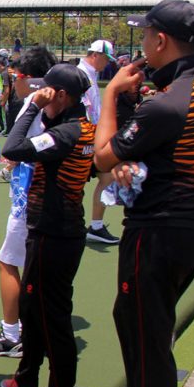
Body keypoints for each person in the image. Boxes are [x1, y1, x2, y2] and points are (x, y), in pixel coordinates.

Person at [89, 0, 194, 387]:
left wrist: (110, 96)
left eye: (145, 35)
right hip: (187, 224)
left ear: (160, 41)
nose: (141, 42)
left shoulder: (167, 104)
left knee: (150, 338)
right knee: (131, 316)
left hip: (160, 231)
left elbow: (103, 157)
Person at [0, 63, 95, 387]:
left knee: (52, 317)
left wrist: (32, 106)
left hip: (55, 235)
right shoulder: (79, 127)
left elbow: (14, 147)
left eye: (48, 91)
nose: (41, 95)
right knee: (31, 307)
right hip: (53, 231)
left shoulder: (67, 133)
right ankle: (26, 379)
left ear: (62, 96)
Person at [0, 47, 56, 359]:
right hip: (49, 192)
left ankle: (12, 333)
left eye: (16, 77)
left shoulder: (33, 102)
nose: (14, 82)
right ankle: (32, 327)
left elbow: (14, 147)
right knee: (34, 263)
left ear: (28, 78)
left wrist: (9, 164)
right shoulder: (62, 100)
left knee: (8, 261)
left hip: (30, 195)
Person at [78, 40, 120, 245]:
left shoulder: (91, 74)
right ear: (95, 55)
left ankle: (95, 226)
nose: (107, 64)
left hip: (94, 138)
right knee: (75, 184)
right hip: (84, 140)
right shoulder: (80, 75)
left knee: (107, 177)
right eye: (106, 58)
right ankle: (87, 226)